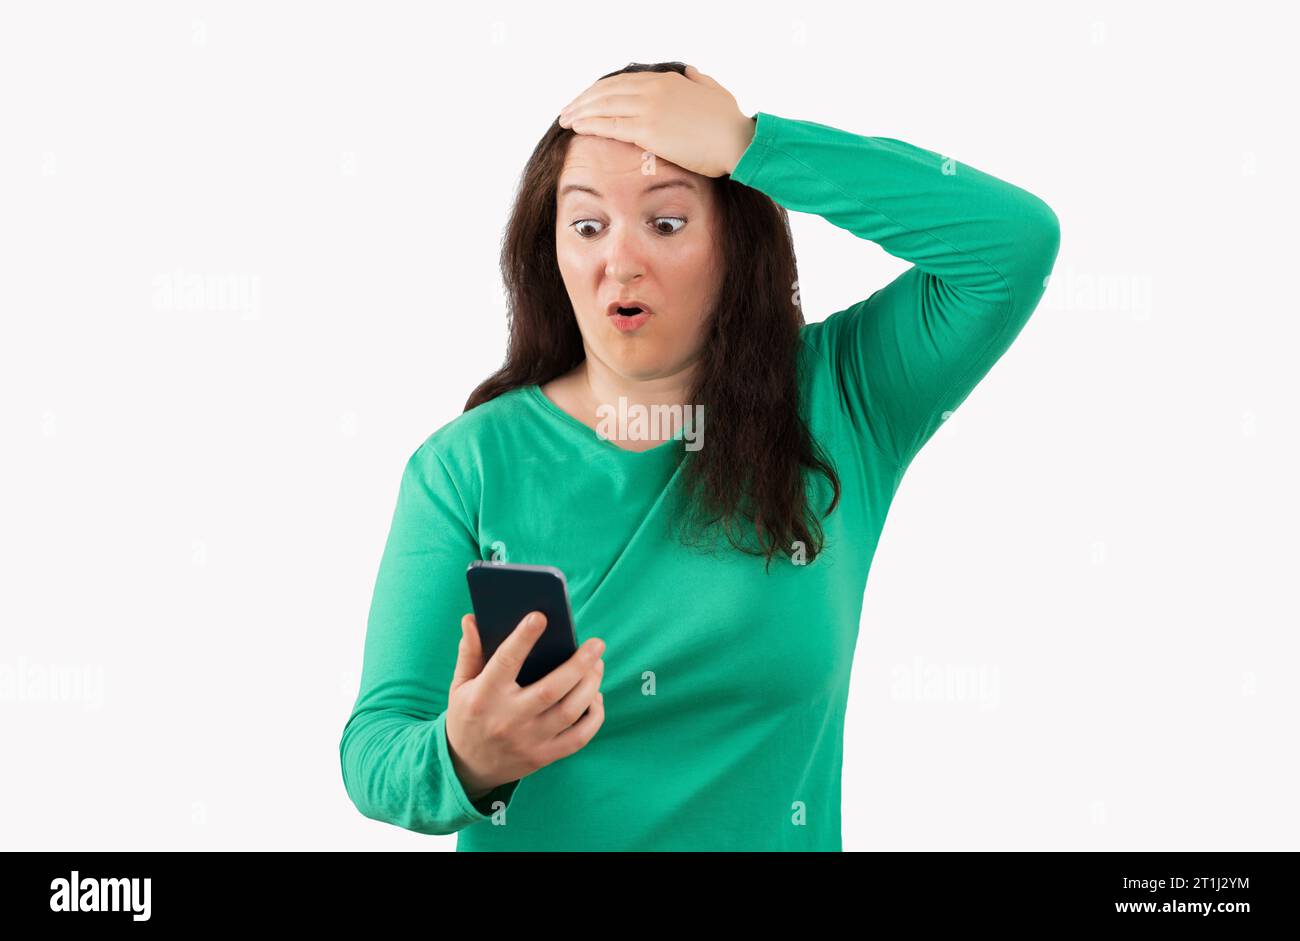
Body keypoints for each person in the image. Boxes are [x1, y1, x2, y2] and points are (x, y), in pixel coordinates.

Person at [339, 61, 1060, 850]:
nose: (621, 260)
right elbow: (374, 753)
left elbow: (1014, 244)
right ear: (551, 251)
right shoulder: (466, 465)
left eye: (667, 222)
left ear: (733, 245)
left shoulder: (843, 399)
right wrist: (464, 757)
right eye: (588, 225)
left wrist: (753, 145)